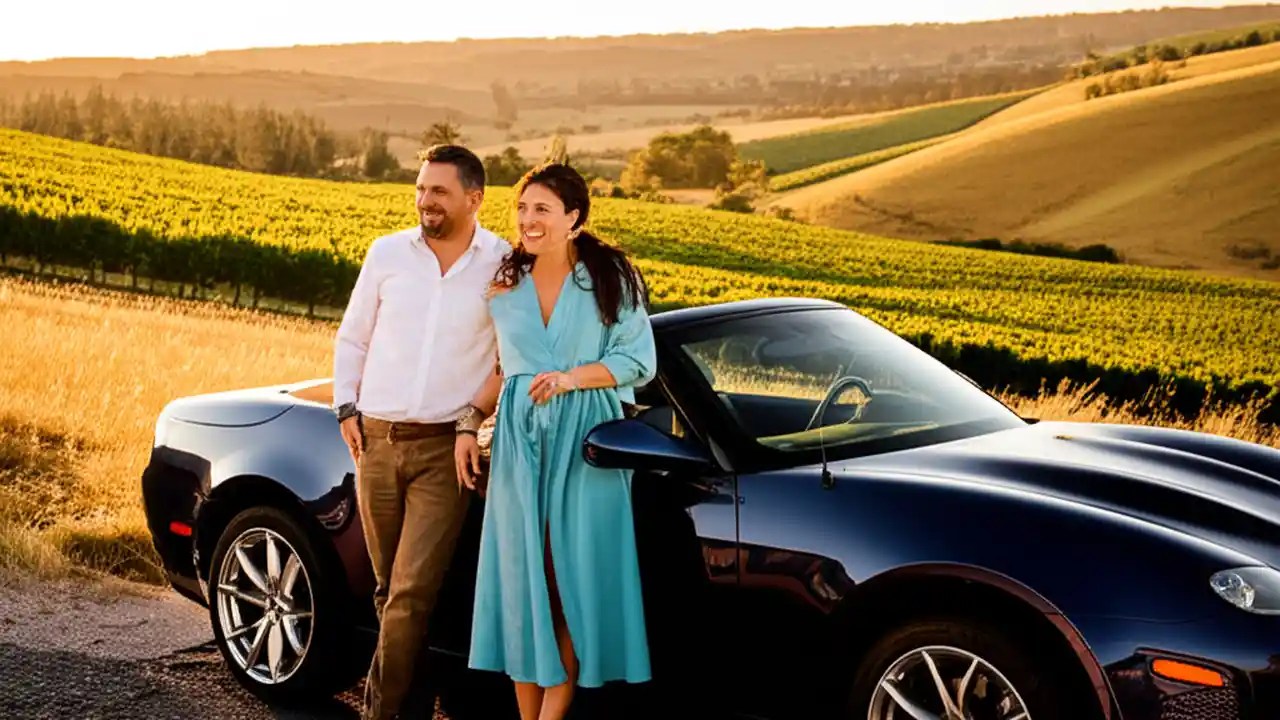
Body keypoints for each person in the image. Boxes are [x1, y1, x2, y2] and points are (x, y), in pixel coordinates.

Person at [453, 162, 655, 720]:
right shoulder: (505, 282)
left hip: (587, 441)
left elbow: (637, 359)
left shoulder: (612, 276)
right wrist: (469, 424)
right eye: (522, 208)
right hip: (519, 446)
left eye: (541, 209)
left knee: (570, 584)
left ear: (574, 218)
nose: (528, 219)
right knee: (525, 589)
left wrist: (571, 377)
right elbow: (502, 367)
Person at [332, 144, 507, 720]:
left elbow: (508, 358)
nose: (425, 201)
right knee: (389, 593)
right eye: (420, 189)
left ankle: (380, 713)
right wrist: (345, 408)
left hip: (444, 451)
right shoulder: (387, 254)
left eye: (439, 191)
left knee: (409, 593)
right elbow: (353, 336)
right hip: (376, 443)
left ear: (473, 198)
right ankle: (414, 703)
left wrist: (473, 420)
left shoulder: (502, 265)